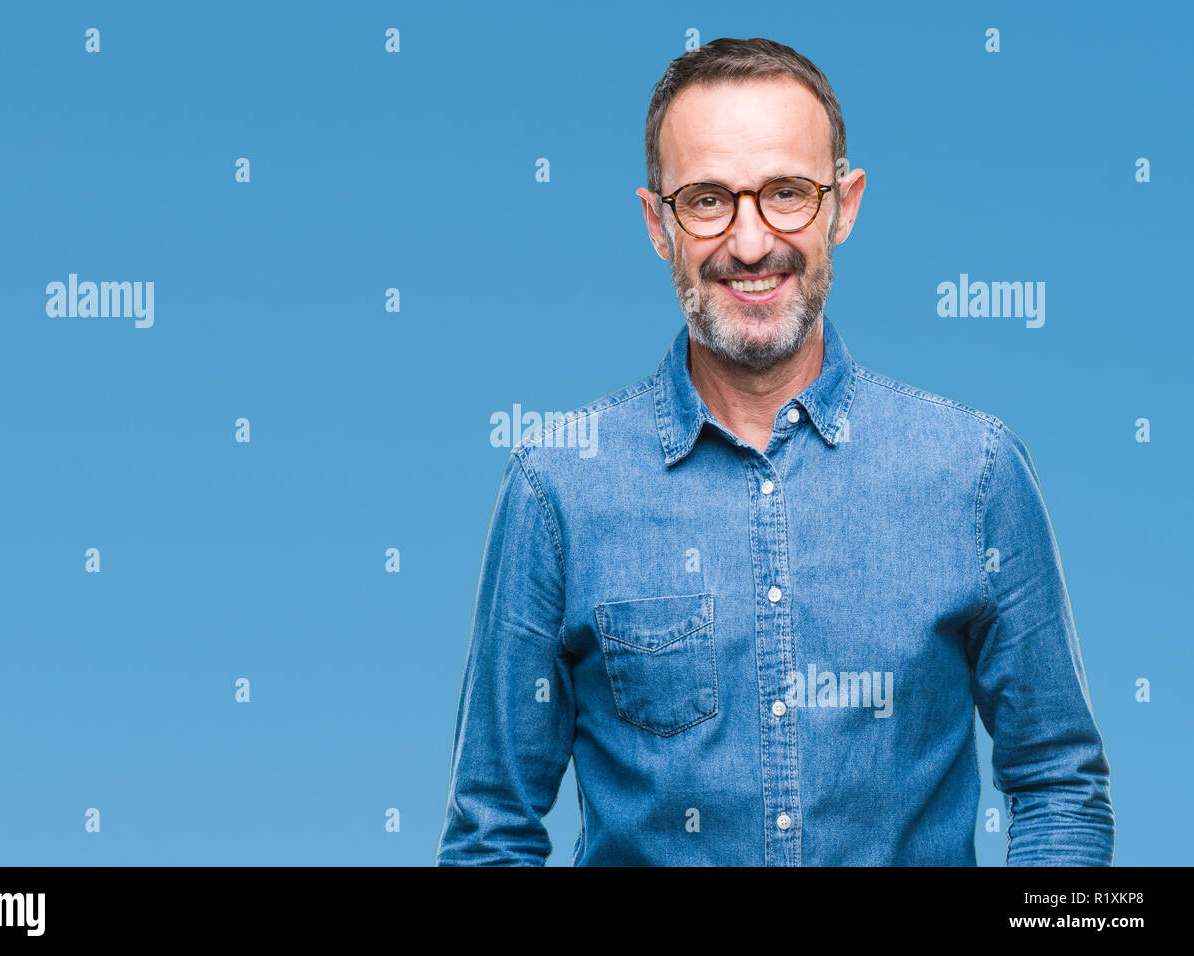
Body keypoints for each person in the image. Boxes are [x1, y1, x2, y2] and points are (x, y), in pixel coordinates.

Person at [435, 36, 1113, 866]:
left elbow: (1060, 786)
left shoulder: (974, 473)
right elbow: (491, 830)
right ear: (658, 223)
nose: (751, 243)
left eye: (787, 193)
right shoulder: (557, 490)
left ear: (844, 206)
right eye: (708, 200)